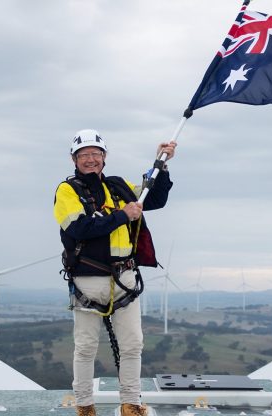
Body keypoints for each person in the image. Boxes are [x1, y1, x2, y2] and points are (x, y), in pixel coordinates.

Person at [53, 129, 175, 416]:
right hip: (88, 281)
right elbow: (79, 228)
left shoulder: (118, 186)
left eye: (96, 153)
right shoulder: (67, 191)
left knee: (132, 345)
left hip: (125, 279)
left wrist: (161, 164)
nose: (90, 159)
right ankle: (85, 406)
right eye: (84, 155)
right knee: (86, 348)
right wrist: (122, 215)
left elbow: (153, 198)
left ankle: (130, 404)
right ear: (74, 159)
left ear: (104, 156)